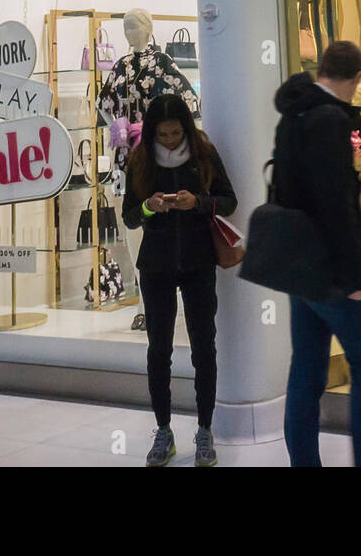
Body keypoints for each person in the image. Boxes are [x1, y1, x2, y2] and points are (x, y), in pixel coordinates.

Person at [273, 40, 361, 467]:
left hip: (298, 268)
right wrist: (358, 278)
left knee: (305, 371)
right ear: (357, 78)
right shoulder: (329, 121)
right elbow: (338, 205)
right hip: (334, 275)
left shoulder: (293, 115)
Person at [122, 93, 237, 467]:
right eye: (163, 133)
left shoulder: (203, 152)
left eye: (175, 133)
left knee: (204, 346)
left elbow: (229, 200)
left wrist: (198, 203)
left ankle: (205, 430)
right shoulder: (140, 159)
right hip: (155, 264)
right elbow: (129, 215)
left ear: (186, 127)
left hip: (198, 260)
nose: (170, 140)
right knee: (159, 350)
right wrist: (148, 206)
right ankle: (163, 431)